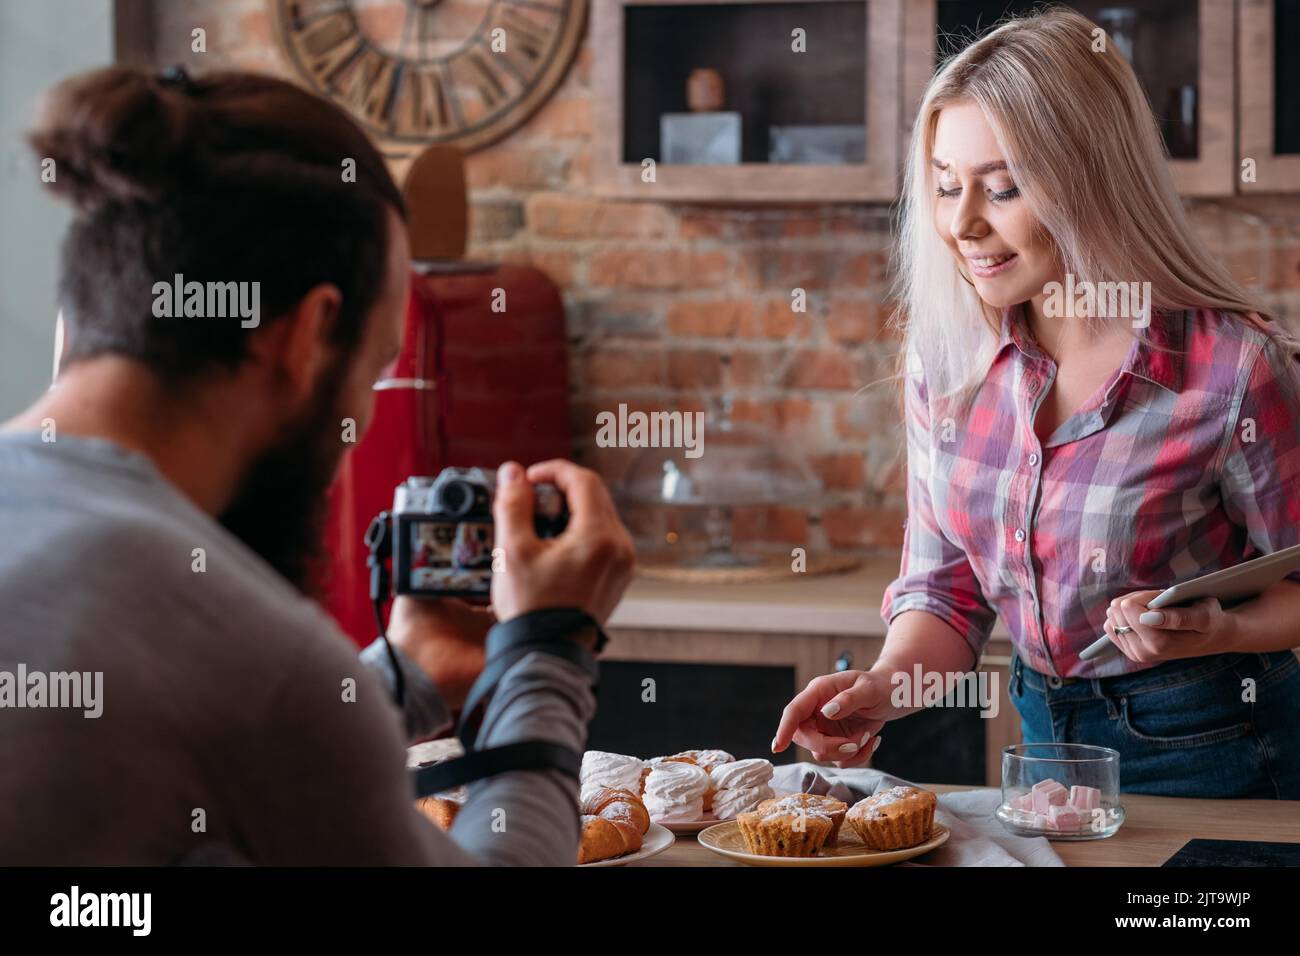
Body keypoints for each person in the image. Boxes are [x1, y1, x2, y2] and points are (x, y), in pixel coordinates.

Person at [0, 65, 634, 863]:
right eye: (374, 367)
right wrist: (548, 651)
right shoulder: (243, 642)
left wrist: (406, 676)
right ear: (304, 337)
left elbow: (205, 736)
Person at [773, 8, 1300, 798]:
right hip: (1041, 744)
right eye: (946, 186)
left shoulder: (1234, 369)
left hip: (1219, 743)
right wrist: (885, 689)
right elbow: (945, 592)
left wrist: (1219, 631)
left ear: (1094, 176)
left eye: (1004, 187)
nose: (961, 223)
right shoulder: (946, 360)